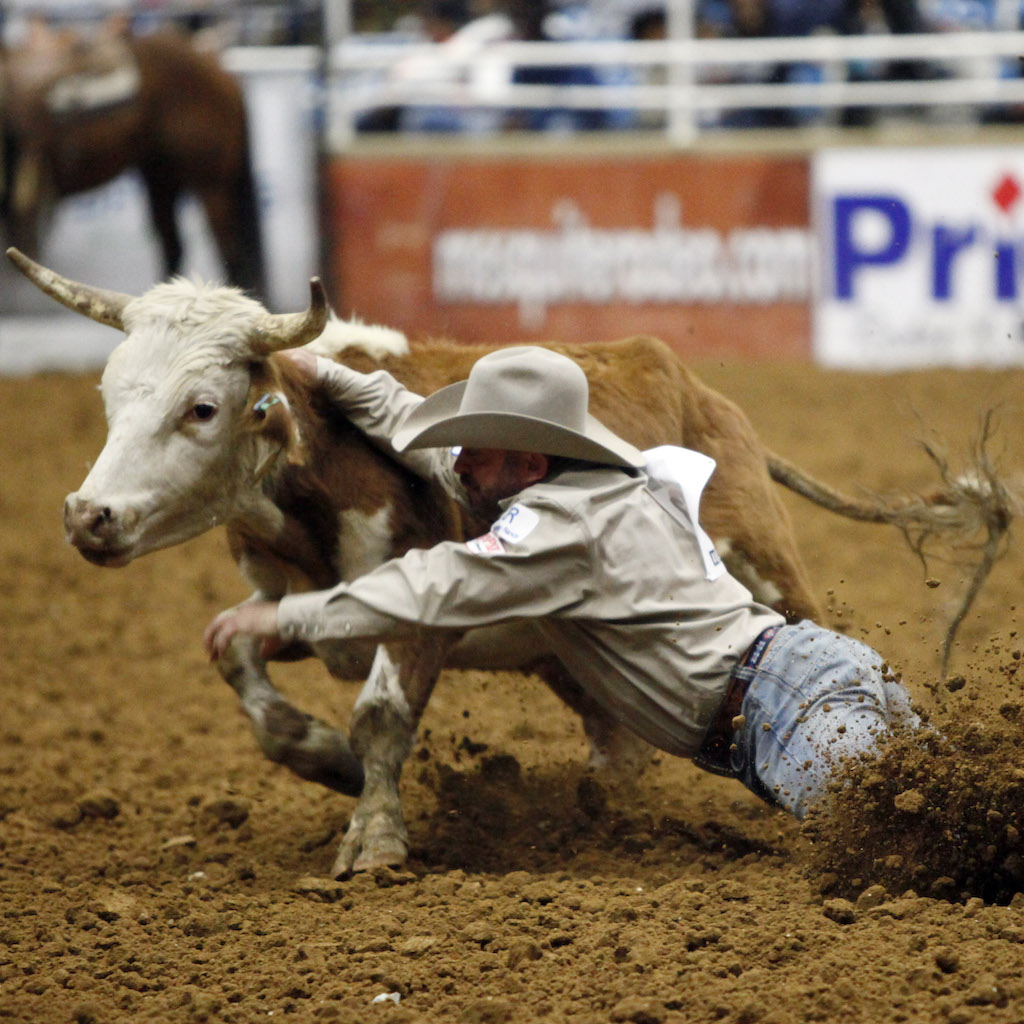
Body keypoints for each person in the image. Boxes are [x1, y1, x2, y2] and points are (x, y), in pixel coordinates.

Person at [203, 346, 917, 820]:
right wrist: (325, 376)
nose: (460, 463)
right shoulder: (585, 484)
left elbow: (436, 582)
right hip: (808, 677)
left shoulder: (557, 532)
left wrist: (288, 617)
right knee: (943, 804)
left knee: (907, 834)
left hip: (785, 708)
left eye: (478, 446)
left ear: (530, 463)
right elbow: (417, 431)